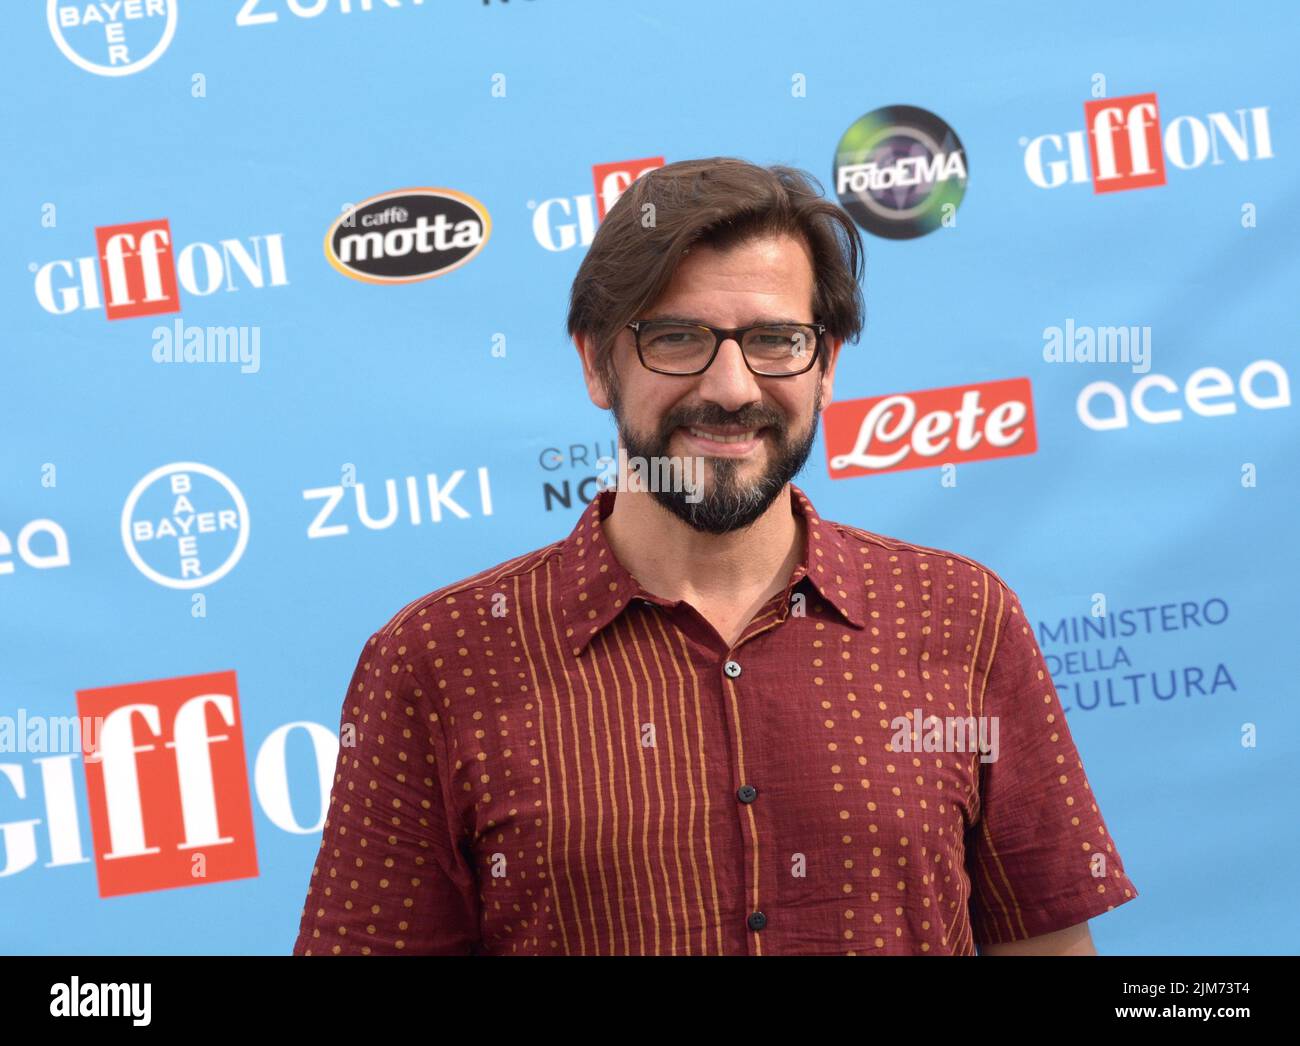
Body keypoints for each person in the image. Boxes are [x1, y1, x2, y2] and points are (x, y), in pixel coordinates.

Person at [292, 157, 1138, 955]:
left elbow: (1048, 942)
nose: (732, 388)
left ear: (827, 365)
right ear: (596, 363)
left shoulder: (959, 616)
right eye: (678, 338)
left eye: (774, 340)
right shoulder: (439, 662)